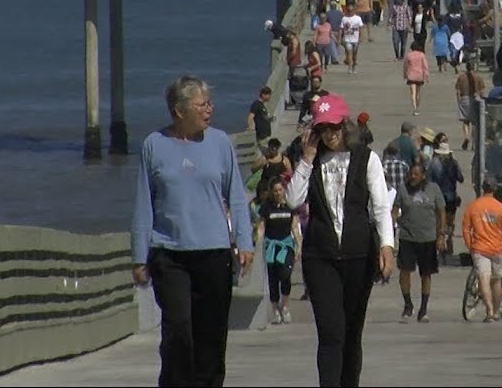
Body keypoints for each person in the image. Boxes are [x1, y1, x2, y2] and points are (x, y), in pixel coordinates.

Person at [131, 75, 255, 387]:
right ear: (179, 110)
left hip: (214, 253)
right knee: (178, 329)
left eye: (209, 104)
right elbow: (144, 202)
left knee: (211, 336)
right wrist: (139, 257)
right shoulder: (154, 145)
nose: (209, 110)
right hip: (169, 253)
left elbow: (236, 196)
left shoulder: (220, 142)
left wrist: (245, 241)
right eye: (201, 105)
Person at [284, 93, 394, 388]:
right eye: (322, 129)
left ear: (345, 126)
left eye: (334, 127)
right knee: (331, 333)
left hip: (359, 256)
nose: (329, 135)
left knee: (351, 334)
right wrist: (307, 158)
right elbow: (293, 200)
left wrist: (387, 245)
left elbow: (381, 206)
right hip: (320, 258)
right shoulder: (312, 161)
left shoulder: (367, 159)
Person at [392, 163, 445, 324]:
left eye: (416, 174)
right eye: (411, 174)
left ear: (423, 176)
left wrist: (441, 235)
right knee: (404, 271)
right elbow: (394, 211)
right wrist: (389, 233)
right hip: (407, 237)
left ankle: (423, 309)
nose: (412, 177)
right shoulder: (403, 189)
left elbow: (441, 212)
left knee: (426, 274)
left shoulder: (433, 189)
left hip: (428, 238)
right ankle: (408, 304)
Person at [254, 177, 302, 326]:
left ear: (284, 190)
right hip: (271, 247)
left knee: (285, 275)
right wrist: (258, 245)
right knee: (273, 278)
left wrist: (298, 246)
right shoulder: (266, 207)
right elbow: (261, 227)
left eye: (280, 190)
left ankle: (285, 306)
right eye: (275, 190)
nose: (278, 193)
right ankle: (275, 309)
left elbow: (295, 227)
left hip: (286, 246)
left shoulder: (290, 206)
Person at [462, 178, 502, 322]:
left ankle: (489, 311)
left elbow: (466, 229)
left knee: (484, 279)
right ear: (495, 189)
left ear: (482, 188)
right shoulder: (501, 208)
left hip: (480, 249)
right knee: (497, 280)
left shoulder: (473, 206)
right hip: (498, 248)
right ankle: (496, 311)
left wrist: (470, 246)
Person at [426, 135, 464, 255]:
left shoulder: (433, 163)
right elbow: (461, 178)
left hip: (437, 196)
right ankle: (449, 238)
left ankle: (440, 241)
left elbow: (428, 180)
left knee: (438, 220)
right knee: (450, 220)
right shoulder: (454, 163)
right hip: (451, 196)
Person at [454, 60, 486, 151]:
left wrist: (459, 101)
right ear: (474, 67)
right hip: (475, 99)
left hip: (464, 98)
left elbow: (458, 91)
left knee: (465, 121)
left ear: (466, 67)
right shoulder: (478, 77)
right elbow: (482, 91)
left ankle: (466, 137)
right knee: (475, 123)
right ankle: (474, 143)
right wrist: (483, 100)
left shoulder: (461, 77)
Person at [403, 40, 430, 116]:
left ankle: (415, 109)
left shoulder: (408, 55)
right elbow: (425, 66)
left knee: (413, 93)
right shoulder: (421, 55)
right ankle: (417, 107)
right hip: (419, 76)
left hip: (411, 76)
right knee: (418, 93)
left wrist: (405, 74)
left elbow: (405, 66)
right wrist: (426, 76)